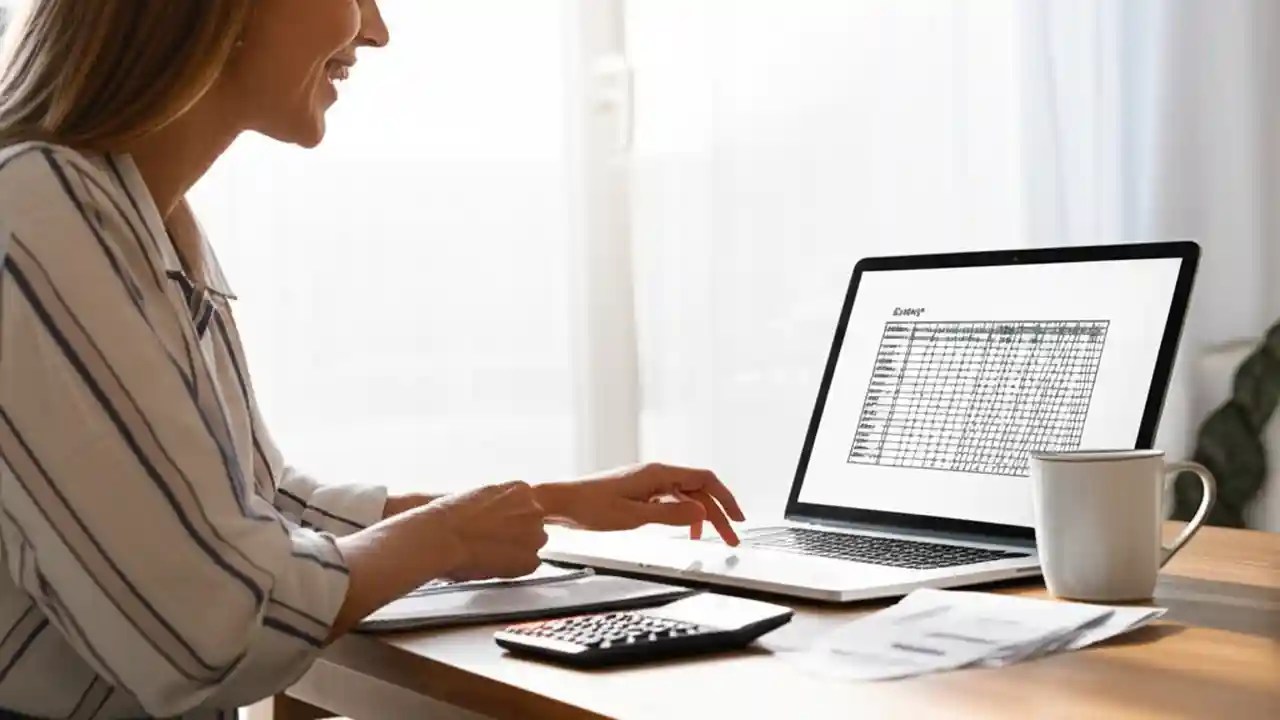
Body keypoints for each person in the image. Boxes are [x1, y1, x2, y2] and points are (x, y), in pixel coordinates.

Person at [0, 1, 745, 718]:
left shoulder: (136, 220)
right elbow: (213, 629)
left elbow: (257, 506)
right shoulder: (37, 215)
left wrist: (547, 503)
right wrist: (444, 536)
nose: (377, 29)